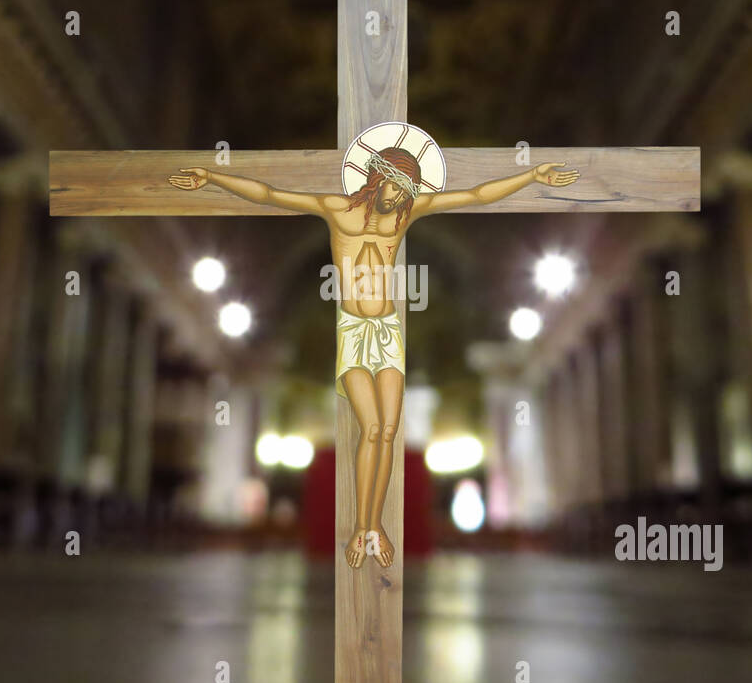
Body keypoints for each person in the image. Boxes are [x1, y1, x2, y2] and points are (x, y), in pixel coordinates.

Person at [169, 148, 579, 568]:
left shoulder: (406, 214)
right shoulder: (337, 209)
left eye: (407, 189)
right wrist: (213, 178)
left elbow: (476, 195)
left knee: (384, 432)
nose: (400, 196)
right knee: (367, 431)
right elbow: (270, 193)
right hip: (354, 334)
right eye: (395, 185)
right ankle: (360, 527)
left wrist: (531, 178)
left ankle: (372, 528)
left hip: (386, 335)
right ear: (375, 179)